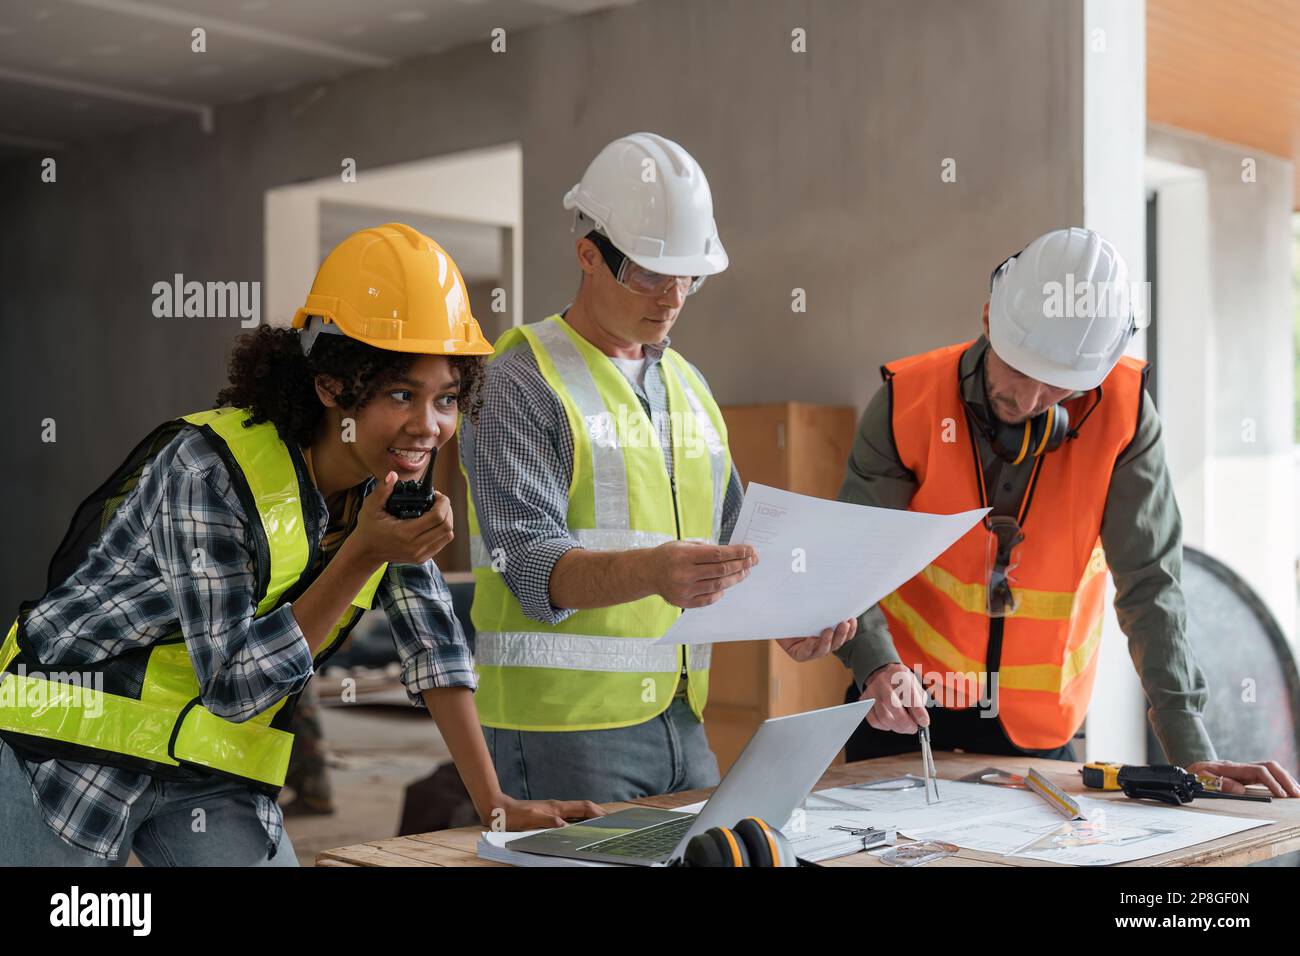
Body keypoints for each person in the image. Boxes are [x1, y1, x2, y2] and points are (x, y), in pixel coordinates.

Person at [0, 223, 602, 866]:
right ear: (332, 387)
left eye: (447, 399)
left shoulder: (389, 492)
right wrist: (363, 553)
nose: (428, 427)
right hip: (66, 749)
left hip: (207, 764)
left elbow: (434, 648)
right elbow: (232, 684)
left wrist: (495, 801)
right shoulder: (207, 469)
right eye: (402, 394)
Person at [459, 132, 856, 804]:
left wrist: (785, 615)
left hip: (680, 717)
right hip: (560, 728)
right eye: (650, 273)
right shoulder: (518, 379)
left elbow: (735, 545)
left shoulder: (690, 386)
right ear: (588, 255)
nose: (673, 297)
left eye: (689, 276)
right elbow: (528, 566)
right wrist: (651, 571)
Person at [835, 226, 1300, 799]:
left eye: (1058, 388)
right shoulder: (909, 401)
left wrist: (1192, 755)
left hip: (1038, 732)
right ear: (988, 320)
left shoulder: (1125, 419)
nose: (1030, 402)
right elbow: (851, 555)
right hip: (903, 713)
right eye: (1020, 372)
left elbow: (1151, 586)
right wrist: (876, 665)